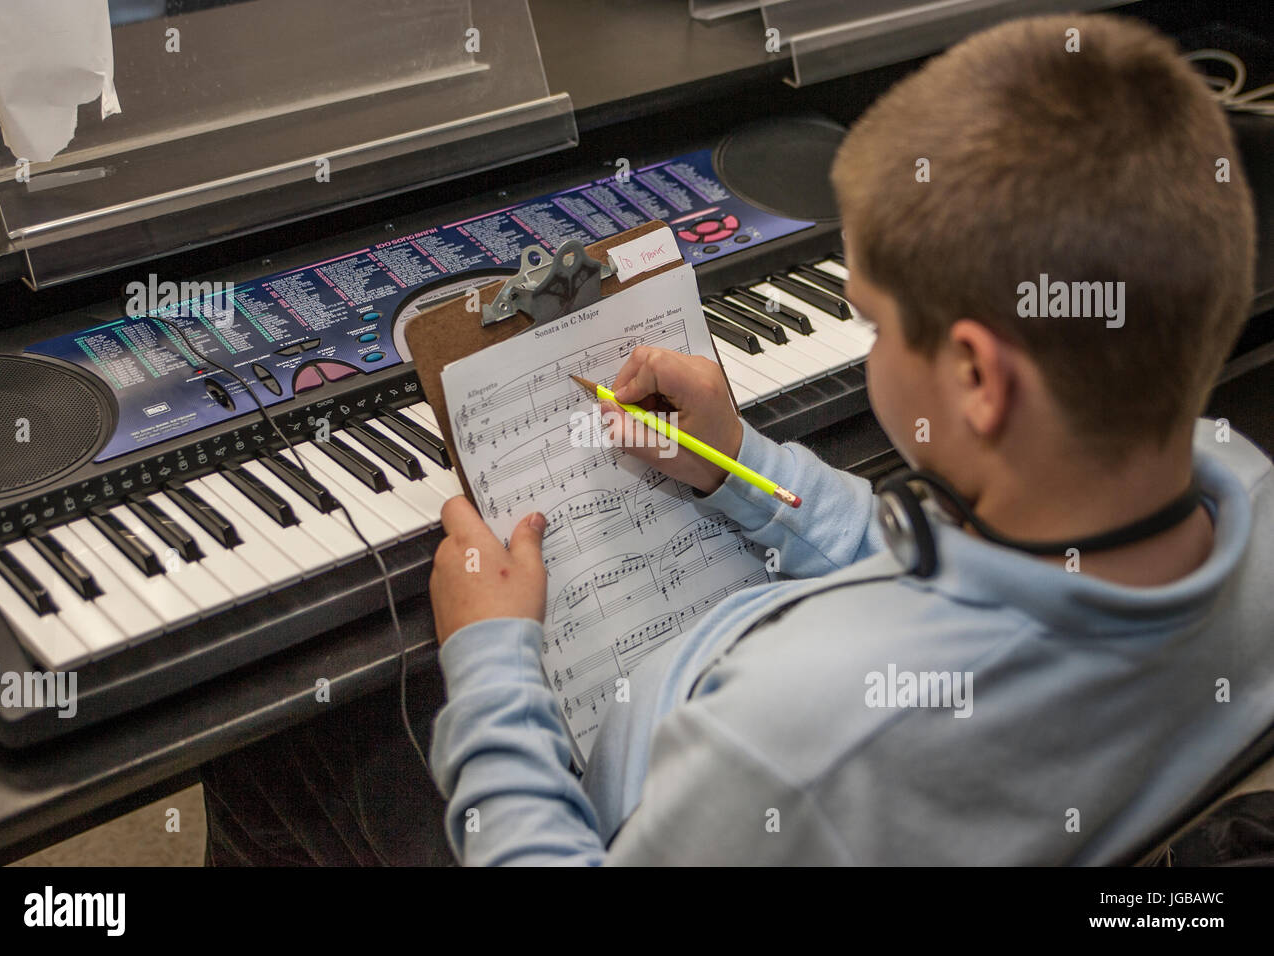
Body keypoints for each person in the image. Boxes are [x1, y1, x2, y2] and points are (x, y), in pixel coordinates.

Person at [424, 13, 1273, 865]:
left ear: (978, 379)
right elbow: (977, 574)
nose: (868, 344)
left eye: (870, 322)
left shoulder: (801, 743)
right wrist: (742, 467)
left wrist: (491, 666)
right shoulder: (1242, 484)